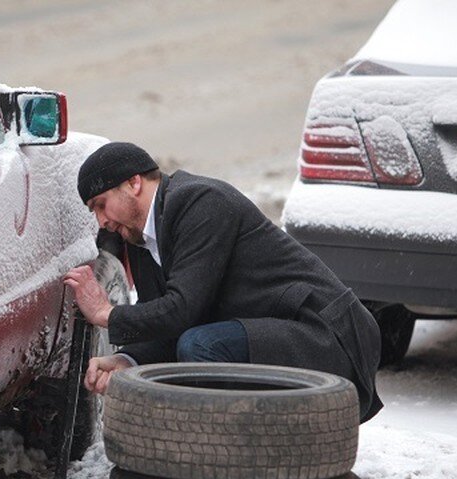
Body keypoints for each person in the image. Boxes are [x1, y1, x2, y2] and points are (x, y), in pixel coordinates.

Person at [63, 141, 383, 422]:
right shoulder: (142, 240)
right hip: (271, 336)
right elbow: (168, 326)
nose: (101, 221)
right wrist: (126, 359)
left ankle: (234, 461)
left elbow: (182, 309)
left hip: (329, 335)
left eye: (101, 205)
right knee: (196, 343)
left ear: (133, 183)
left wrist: (107, 314)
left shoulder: (200, 202)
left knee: (201, 345)